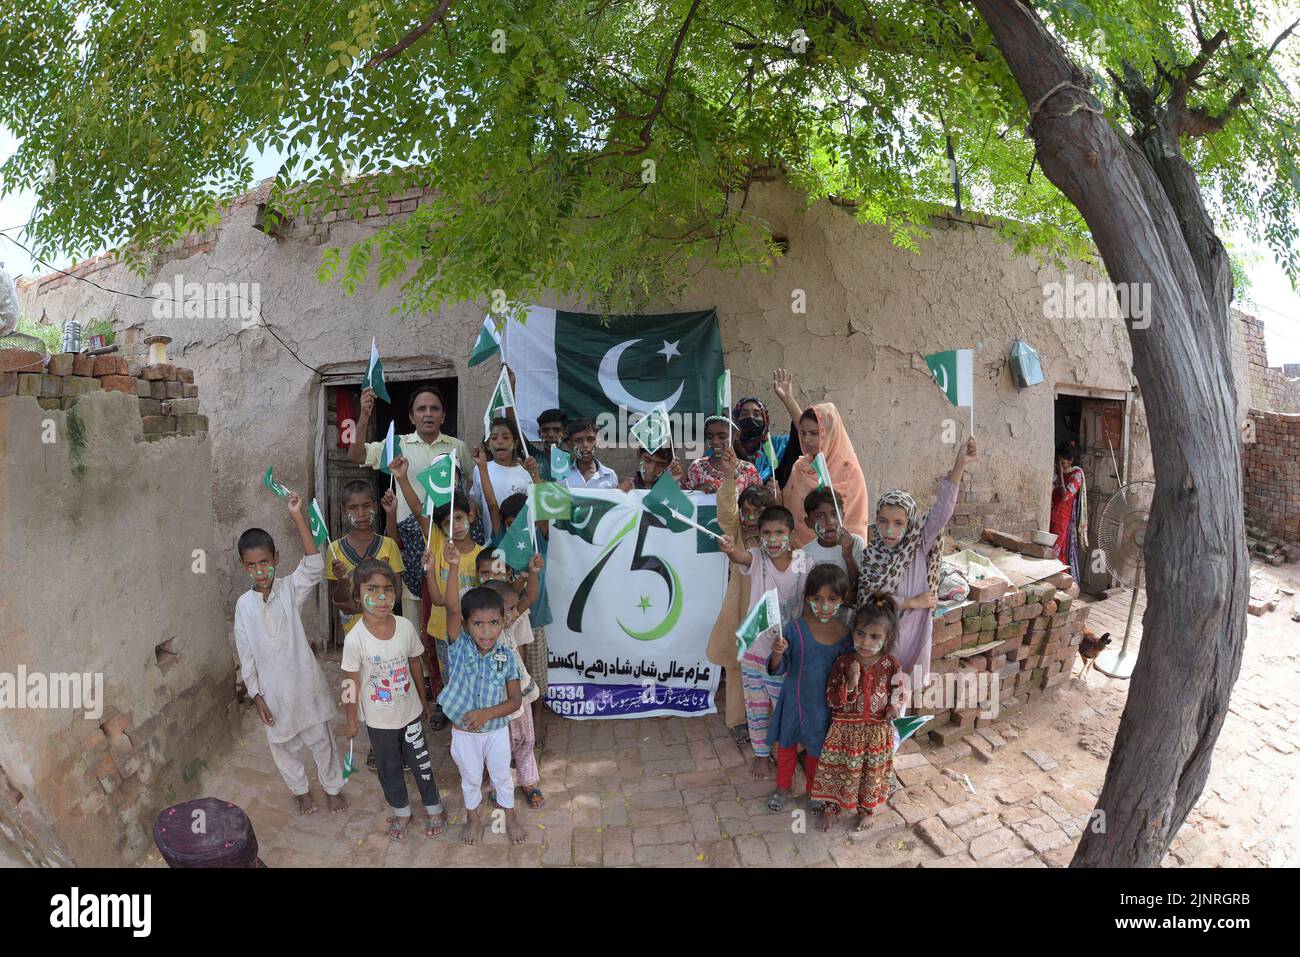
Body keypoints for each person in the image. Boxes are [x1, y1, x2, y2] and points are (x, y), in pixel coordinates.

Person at [233, 494, 347, 816]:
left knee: (321, 741)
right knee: (282, 747)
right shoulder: (244, 606)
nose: (260, 571)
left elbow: (313, 565)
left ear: (276, 558)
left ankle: (333, 788)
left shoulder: (288, 590)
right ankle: (300, 790)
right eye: (252, 565)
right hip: (274, 694)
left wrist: (298, 516)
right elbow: (247, 654)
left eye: (265, 562)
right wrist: (255, 694)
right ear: (244, 566)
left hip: (304, 687)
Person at [347, 384, 470, 636]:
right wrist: (364, 416)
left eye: (434, 409)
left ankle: (446, 668)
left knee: (449, 600)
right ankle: (420, 671)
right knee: (413, 606)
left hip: (448, 539)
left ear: (443, 416)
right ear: (412, 417)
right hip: (410, 539)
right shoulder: (397, 445)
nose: (428, 414)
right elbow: (356, 455)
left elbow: (473, 487)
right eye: (421, 409)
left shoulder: (458, 447)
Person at [853, 438, 976, 689]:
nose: (889, 530)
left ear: (909, 524)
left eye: (899, 523)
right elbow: (869, 599)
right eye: (883, 521)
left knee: (901, 691)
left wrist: (959, 465)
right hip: (880, 635)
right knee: (875, 688)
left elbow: (942, 511)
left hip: (913, 631)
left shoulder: (918, 544)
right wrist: (913, 602)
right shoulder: (871, 554)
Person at [341, 559, 444, 840]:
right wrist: (351, 721)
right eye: (372, 589)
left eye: (388, 589)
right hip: (378, 721)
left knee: (421, 763)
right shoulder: (355, 640)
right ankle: (401, 810)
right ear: (357, 596)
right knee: (388, 769)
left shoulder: (405, 627)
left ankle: (433, 807)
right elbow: (351, 682)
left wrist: (424, 703)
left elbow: (414, 665)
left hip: (409, 713)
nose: (382, 597)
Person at [719, 505, 811, 780]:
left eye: (780, 532)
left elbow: (810, 601)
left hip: (783, 653)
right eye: (767, 533)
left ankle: (787, 753)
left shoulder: (803, 562)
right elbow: (740, 556)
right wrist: (728, 548)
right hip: (754, 649)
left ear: (791, 534)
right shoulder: (757, 558)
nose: (773, 539)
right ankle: (761, 755)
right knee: (756, 706)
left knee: (784, 707)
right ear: (759, 536)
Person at [437, 577, 527, 846]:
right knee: (471, 779)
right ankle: (473, 819)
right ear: (465, 625)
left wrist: (486, 714)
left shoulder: (507, 656)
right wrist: (453, 567)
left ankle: (509, 818)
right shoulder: (460, 648)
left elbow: (515, 701)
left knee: (502, 778)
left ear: (503, 622)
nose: (487, 632)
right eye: (478, 624)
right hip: (465, 736)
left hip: (496, 732)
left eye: (494, 623)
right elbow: (452, 608)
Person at [810, 594, 904, 831]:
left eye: (875, 637)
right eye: (860, 634)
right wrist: (850, 684)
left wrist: (893, 708)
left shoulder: (891, 665)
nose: (865, 642)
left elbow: (898, 692)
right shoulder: (843, 663)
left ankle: (867, 810)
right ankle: (830, 808)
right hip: (844, 733)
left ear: (887, 639)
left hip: (876, 733)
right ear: (853, 633)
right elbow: (831, 699)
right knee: (838, 772)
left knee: (870, 774)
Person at [765, 564, 853, 814]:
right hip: (793, 700)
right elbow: (779, 668)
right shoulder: (794, 629)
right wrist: (776, 653)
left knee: (817, 750)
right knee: (786, 747)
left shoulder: (845, 637)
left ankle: (814, 791)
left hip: (822, 707)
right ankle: (782, 788)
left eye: (832, 599)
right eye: (818, 599)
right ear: (807, 598)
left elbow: (846, 677)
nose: (824, 606)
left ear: (842, 600)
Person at [705, 450, 777, 744]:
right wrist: (731, 477)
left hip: (769, 615)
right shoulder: (737, 535)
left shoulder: (775, 538)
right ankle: (737, 721)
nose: (749, 518)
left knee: (771, 664)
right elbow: (727, 512)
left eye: (757, 513)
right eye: (746, 511)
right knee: (737, 667)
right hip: (740, 611)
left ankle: (768, 719)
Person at [477, 573, 546, 809]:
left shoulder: (509, 625)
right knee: (499, 748)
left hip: (521, 698)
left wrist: (532, 572)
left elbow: (530, 595)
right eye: (510, 609)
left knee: (526, 741)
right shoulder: (479, 638)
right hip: (497, 705)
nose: (515, 613)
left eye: (514, 608)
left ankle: (528, 782)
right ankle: (499, 785)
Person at [497, 493, 552, 747]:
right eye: (509, 524)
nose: (514, 528)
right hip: (510, 622)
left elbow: (543, 514)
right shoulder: (500, 547)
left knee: (536, 674)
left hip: (536, 618)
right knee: (514, 675)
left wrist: (534, 473)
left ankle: (538, 718)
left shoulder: (538, 539)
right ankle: (516, 724)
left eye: (518, 522)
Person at [783, 403, 870, 548]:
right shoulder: (800, 467)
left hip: (840, 558)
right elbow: (789, 509)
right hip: (800, 555)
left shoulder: (848, 472)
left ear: (828, 434)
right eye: (803, 433)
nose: (806, 439)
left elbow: (854, 521)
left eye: (814, 433)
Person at [325, 480, 404, 635]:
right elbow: (339, 601)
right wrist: (342, 581)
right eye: (353, 508)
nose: (361, 514)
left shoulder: (389, 546)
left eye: (366, 505)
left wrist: (356, 606)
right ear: (343, 510)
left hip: (386, 631)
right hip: (354, 633)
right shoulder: (334, 550)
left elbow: (397, 594)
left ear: (375, 506)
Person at [733, 367, 803, 488]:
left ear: (765, 420)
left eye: (756, 414)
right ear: (736, 420)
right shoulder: (727, 449)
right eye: (744, 414)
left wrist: (788, 399)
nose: (751, 418)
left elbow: (803, 433)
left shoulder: (778, 446)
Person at [470, 416, 535, 541]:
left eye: (506, 437)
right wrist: (471, 505)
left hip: (520, 541)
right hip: (493, 541)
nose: (500, 442)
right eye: (494, 438)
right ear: (488, 444)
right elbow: (476, 500)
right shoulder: (480, 469)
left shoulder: (525, 473)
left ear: (515, 443)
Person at [684, 416, 763, 494]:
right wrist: (699, 490)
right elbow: (684, 498)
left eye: (722, 437)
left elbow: (756, 502)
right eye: (710, 437)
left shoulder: (749, 471)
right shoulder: (697, 467)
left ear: (736, 435)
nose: (715, 441)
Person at [800, 487, 863, 577]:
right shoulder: (805, 554)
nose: (829, 521)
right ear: (808, 522)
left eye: (834, 514)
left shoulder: (856, 543)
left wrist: (848, 556)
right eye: (820, 516)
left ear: (843, 516)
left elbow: (860, 586)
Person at [1050, 440, 1088, 584]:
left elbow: (1065, 496)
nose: (1060, 464)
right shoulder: (1058, 472)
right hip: (1052, 514)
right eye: (1058, 461)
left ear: (1071, 460)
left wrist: (1060, 476)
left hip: (1062, 517)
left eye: (1063, 461)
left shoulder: (1076, 474)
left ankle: (1062, 582)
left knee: (1058, 550)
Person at [561, 417, 619, 489]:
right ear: (570, 445)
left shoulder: (610, 476)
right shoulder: (562, 477)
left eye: (590, 439)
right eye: (578, 440)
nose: (585, 445)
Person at [619, 445, 685, 490]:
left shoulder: (672, 485)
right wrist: (620, 493)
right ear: (639, 455)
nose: (652, 470)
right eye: (647, 461)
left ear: (669, 465)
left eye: (660, 465)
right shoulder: (630, 485)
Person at [530, 408, 568, 477]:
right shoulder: (532, 455)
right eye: (545, 430)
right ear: (539, 433)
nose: (550, 435)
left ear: (565, 433)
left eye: (556, 430)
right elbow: (515, 429)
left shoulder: (574, 460)